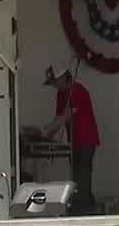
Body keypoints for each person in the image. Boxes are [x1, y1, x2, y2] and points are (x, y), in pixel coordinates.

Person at [41, 65, 100, 215]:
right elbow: (59, 118)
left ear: (62, 78)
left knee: (83, 175)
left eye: (55, 82)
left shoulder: (77, 90)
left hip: (86, 139)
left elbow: (67, 115)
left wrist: (47, 130)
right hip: (73, 140)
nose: (54, 86)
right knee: (76, 176)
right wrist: (47, 132)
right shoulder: (61, 94)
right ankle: (84, 206)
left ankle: (85, 208)